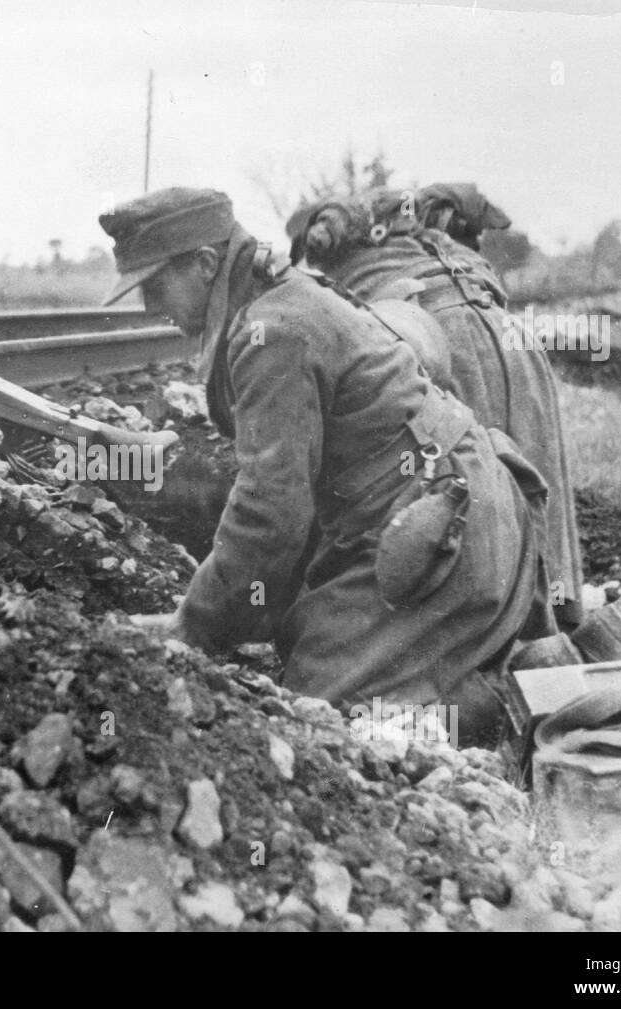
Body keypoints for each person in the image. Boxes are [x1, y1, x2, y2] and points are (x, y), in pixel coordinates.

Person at [102, 187, 555, 734]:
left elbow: (270, 513)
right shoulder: (272, 299)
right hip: (450, 506)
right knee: (303, 644)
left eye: (155, 285)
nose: (150, 306)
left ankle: (507, 704)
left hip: (449, 532)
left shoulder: (273, 332)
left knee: (322, 716)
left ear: (203, 264)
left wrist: (193, 627)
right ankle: (503, 669)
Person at [288, 187, 585, 626]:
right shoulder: (425, 243)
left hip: (445, 341)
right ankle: (553, 627)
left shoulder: (347, 281)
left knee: (469, 492)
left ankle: (485, 637)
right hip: (515, 342)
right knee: (530, 476)